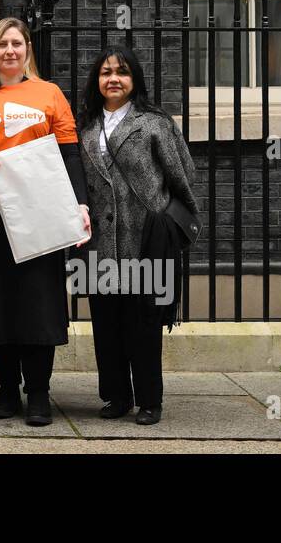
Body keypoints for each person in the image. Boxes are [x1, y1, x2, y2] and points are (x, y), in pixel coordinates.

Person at [0, 18, 91, 426]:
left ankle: (38, 392)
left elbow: (70, 153)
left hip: (40, 208)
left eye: (17, 44)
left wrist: (80, 204)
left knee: (37, 301)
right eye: (2, 45)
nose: (10, 51)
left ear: (28, 49)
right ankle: (5, 389)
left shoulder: (49, 93)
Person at [77, 45, 199, 426]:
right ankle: (116, 396)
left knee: (144, 324)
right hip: (101, 243)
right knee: (107, 322)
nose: (113, 79)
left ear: (135, 80)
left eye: (122, 72)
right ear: (96, 81)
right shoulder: (86, 126)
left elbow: (183, 177)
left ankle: (149, 400)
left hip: (145, 241)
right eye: (106, 72)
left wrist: (169, 222)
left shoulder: (155, 123)